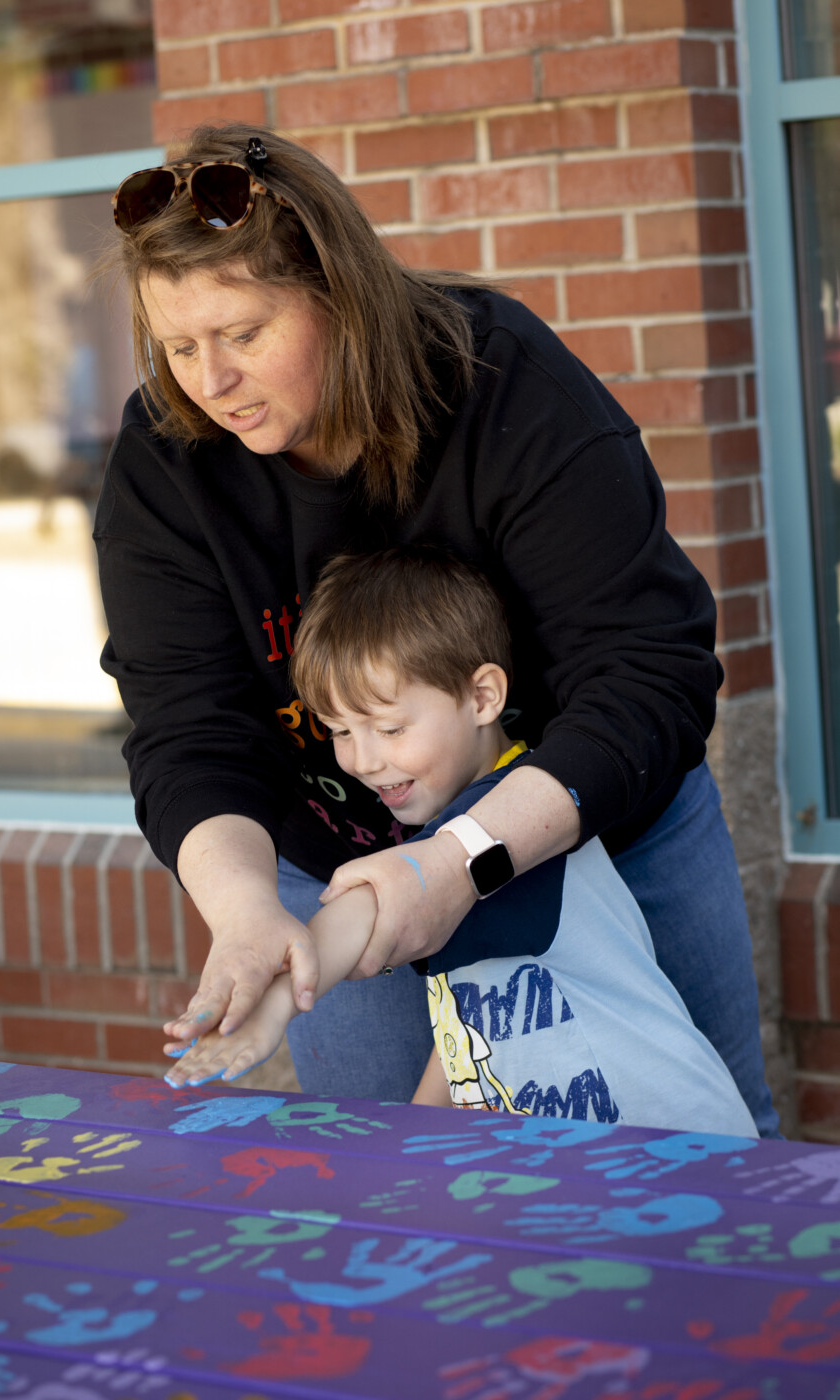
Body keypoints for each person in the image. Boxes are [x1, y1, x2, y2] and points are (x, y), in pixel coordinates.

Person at [96, 121, 778, 1136]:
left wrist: (459, 858)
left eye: (244, 334)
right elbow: (189, 729)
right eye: (180, 346)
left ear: (337, 292)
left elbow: (648, 672)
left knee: (714, 1167)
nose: (212, 381)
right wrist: (246, 916)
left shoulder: (502, 381)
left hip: (596, 826)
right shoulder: (167, 462)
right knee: (393, 1174)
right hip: (341, 864)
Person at [162, 546, 758, 1137]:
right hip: (594, 1159)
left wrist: (272, 1006)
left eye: (390, 727)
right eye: (341, 731)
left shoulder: (499, 834)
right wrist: (415, 1130)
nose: (363, 760)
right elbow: (469, 1026)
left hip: (678, 1147)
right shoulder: (450, 829)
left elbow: (369, 912)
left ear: (483, 697)